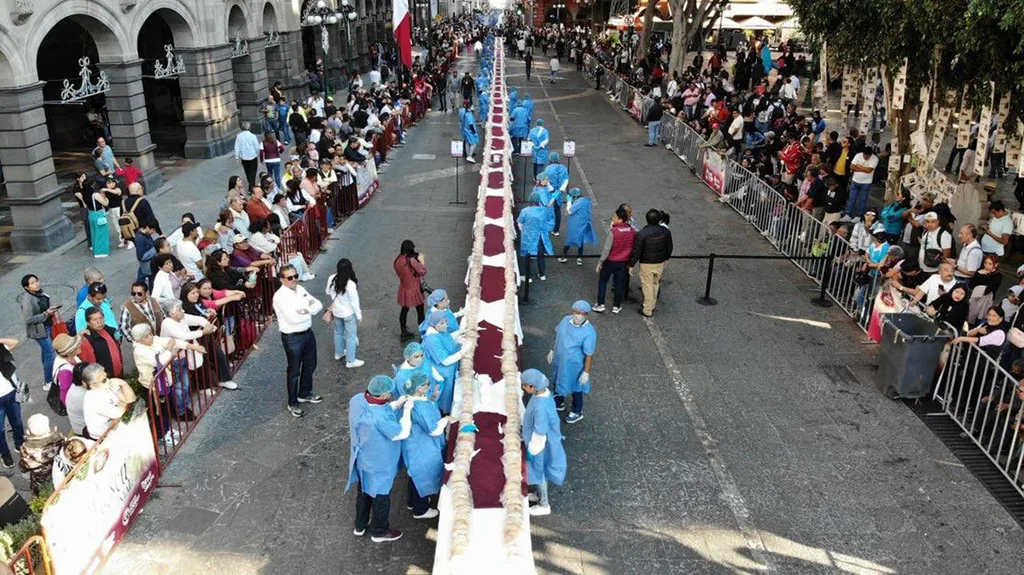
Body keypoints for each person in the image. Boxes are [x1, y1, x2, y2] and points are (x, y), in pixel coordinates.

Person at [345, 375, 410, 543]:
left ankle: (360, 525)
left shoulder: (357, 399)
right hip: (380, 462)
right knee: (381, 496)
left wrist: (396, 405)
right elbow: (400, 433)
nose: (390, 395)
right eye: (389, 394)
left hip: (363, 458)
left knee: (364, 490)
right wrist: (407, 411)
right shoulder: (379, 417)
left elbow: (381, 408)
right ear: (382, 396)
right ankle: (380, 531)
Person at [399, 371, 452, 519]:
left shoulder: (412, 401)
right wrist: (446, 419)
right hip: (422, 447)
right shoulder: (420, 407)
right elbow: (434, 430)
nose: (429, 387)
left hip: (414, 444)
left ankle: (412, 501)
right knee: (422, 476)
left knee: (414, 475)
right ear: (420, 389)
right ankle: (420, 509)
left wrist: (433, 398)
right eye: (427, 385)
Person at [273, 264, 324, 418]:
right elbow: (293, 318)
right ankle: (292, 402)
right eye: (290, 277)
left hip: (307, 333)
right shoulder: (280, 297)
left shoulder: (300, 290)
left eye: (295, 276)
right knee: (294, 370)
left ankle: (305, 392)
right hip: (292, 337)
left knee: (310, 364)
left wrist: (305, 311)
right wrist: (309, 310)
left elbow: (318, 304)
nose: (294, 279)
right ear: (282, 280)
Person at [521, 369, 567, 516]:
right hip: (544, 440)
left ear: (533, 386)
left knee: (539, 472)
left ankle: (544, 504)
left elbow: (539, 432)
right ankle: (537, 494)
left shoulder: (540, 408)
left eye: (525, 385)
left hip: (540, 444)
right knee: (537, 472)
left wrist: (532, 450)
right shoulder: (544, 394)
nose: (523, 387)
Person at [547, 301, 597, 423]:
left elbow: (589, 354)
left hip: (575, 366)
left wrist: (586, 372)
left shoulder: (589, 332)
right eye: (576, 312)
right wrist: (553, 350)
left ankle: (577, 411)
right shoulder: (565, 321)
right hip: (560, 359)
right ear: (572, 311)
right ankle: (559, 402)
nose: (579, 315)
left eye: (582, 313)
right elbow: (558, 335)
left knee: (576, 388)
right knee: (558, 379)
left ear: (586, 315)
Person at [629, 209, 674, 317]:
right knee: (655, 283)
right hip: (660, 262)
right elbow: (669, 246)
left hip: (647, 263)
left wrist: (631, 264)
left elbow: (637, 250)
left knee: (647, 285)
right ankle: (652, 304)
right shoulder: (665, 231)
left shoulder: (642, 233)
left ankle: (647, 309)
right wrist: (666, 258)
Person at [19, 274, 58, 393]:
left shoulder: (39, 294)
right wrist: (46, 313)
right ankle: (48, 381)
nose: (36, 284)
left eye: (36, 281)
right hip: (39, 331)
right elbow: (28, 319)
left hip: (47, 326)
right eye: (32, 283)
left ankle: (49, 376)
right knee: (50, 354)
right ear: (26, 287)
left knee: (46, 353)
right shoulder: (27, 300)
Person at [594, 207, 636, 314]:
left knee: (603, 282)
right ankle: (616, 306)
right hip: (623, 262)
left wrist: (600, 262)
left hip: (610, 261)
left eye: (615, 217)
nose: (613, 219)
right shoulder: (632, 231)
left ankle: (600, 304)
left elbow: (606, 249)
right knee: (619, 284)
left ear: (620, 219)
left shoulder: (613, 231)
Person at [421, 311, 463, 415]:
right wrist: (463, 352)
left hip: (449, 369)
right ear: (434, 325)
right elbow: (445, 361)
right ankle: (444, 412)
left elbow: (447, 338)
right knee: (446, 395)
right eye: (442, 323)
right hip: (443, 372)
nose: (445, 325)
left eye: (445, 321)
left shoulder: (439, 331)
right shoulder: (432, 340)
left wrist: (459, 335)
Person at [80, 363, 135, 441]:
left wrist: (123, 383)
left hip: (114, 425)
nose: (108, 380)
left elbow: (130, 400)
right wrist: (123, 405)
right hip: (103, 436)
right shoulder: (93, 398)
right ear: (92, 385)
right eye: (104, 380)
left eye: (106, 376)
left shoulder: (105, 386)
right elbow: (118, 413)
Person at [326, 259, 364, 367]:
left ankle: (339, 353)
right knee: (351, 336)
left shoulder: (331, 278)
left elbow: (327, 291)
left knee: (338, 333)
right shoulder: (350, 284)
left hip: (337, 312)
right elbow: (354, 302)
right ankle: (350, 361)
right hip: (349, 313)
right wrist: (359, 315)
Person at [18, 414, 64, 496]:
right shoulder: (58, 440)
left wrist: (26, 474)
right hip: (62, 472)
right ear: (48, 429)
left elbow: (24, 467)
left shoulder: (27, 449)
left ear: (29, 432)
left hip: (41, 480)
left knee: (44, 496)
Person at [394, 240, 428, 340]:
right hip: (414, 289)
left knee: (404, 310)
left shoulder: (397, 260)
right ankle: (423, 334)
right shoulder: (411, 261)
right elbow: (422, 272)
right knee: (420, 312)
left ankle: (403, 332)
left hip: (404, 288)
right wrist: (422, 261)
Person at [0, 337, 26, 468]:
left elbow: (15, 342)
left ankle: (20, 444)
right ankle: (5, 454)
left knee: (17, 422)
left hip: (11, 392)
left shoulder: (1, 349)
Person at [517, 194, 555, 282]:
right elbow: (550, 219)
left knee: (528, 257)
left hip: (528, 237)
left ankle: (528, 277)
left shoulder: (525, 211)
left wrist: (524, 231)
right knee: (540, 256)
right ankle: (542, 274)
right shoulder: (544, 211)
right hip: (540, 237)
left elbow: (520, 223)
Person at [78, 307, 123, 379]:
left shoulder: (108, 330)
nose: (99, 322)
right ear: (88, 323)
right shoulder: (87, 340)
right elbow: (90, 367)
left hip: (119, 376)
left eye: (101, 318)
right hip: (104, 380)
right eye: (95, 320)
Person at [559, 187, 597, 265]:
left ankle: (564, 256)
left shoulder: (578, 202)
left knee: (569, 239)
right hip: (584, 223)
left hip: (575, 223)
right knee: (581, 240)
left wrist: (569, 202)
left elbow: (570, 211)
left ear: (575, 197)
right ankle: (579, 258)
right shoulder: (586, 201)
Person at [845, 147, 878, 219]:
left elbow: (869, 170)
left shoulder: (875, 159)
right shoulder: (858, 155)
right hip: (855, 181)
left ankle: (859, 216)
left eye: (867, 156)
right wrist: (864, 168)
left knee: (862, 201)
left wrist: (858, 166)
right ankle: (848, 214)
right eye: (864, 155)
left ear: (870, 155)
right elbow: (851, 166)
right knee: (851, 199)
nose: (865, 157)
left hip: (866, 183)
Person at [543, 153, 569, 235]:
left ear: (550, 159)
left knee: (548, 208)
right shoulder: (564, 168)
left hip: (550, 192)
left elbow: (546, 181)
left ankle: (546, 227)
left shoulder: (548, 169)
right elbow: (566, 180)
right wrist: (560, 190)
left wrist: (552, 189)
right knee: (558, 211)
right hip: (559, 193)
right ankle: (556, 230)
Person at [87, 177, 112, 258]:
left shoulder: (87, 194)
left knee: (94, 233)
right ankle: (101, 251)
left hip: (91, 214)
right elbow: (105, 203)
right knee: (102, 233)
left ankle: (95, 250)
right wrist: (106, 198)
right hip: (98, 214)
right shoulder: (96, 194)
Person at [235, 121, 263, 185]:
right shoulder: (252, 136)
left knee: (247, 171)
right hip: (252, 156)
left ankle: (250, 183)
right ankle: (252, 185)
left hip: (244, 157)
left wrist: (237, 157)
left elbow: (237, 147)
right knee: (253, 172)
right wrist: (259, 154)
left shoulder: (239, 136)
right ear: (250, 128)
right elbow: (256, 146)